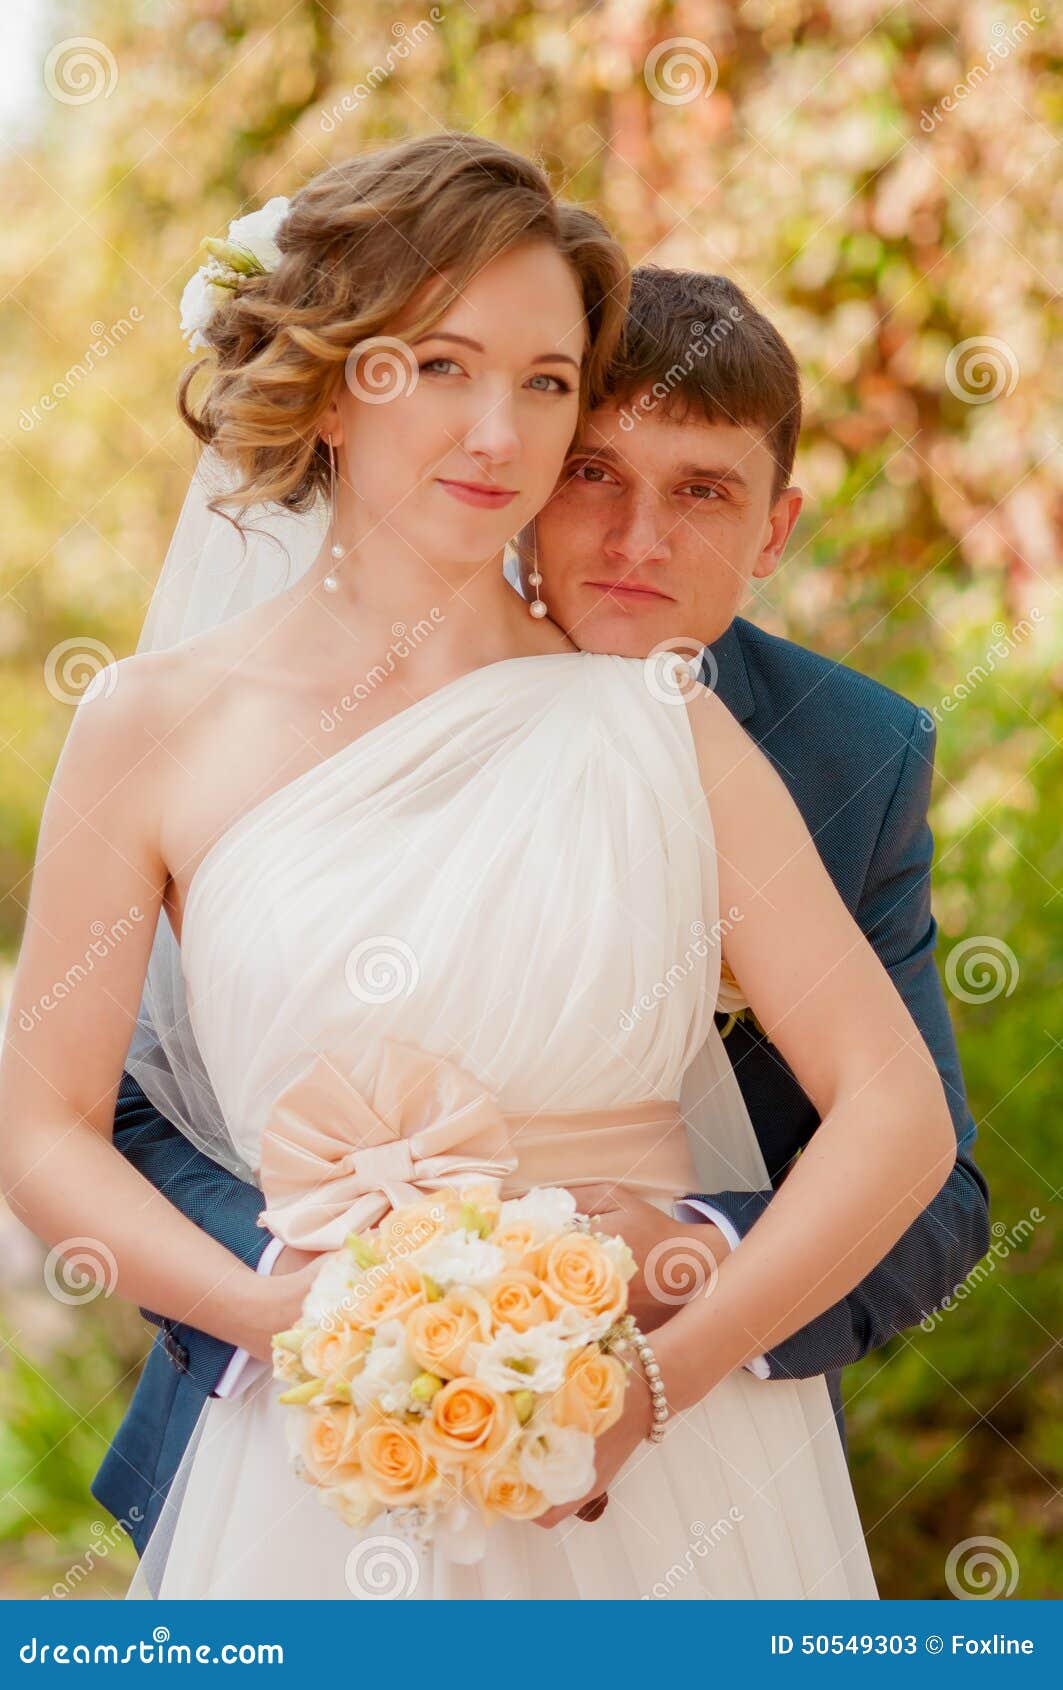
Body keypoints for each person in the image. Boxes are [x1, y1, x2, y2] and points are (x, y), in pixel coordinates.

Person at [0, 132, 957, 1599]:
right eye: (438, 367)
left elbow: (899, 1119)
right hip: (317, 1446)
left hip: (671, 1469)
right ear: (331, 381)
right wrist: (281, 1317)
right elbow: (48, 1126)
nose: (498, 435)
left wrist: (662, 1373)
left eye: (545, 382)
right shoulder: (151, 726)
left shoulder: (662, 721)